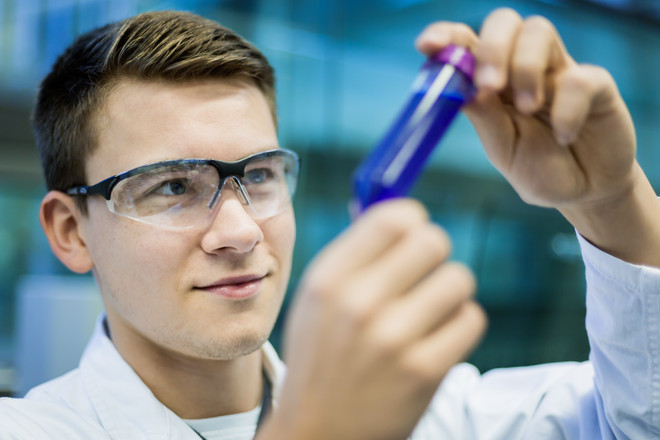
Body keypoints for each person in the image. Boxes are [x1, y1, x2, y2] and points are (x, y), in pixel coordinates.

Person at [1, 7, 659, 439]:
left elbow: (638, 417)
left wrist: (611, 199)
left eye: (257, 175)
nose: (239, 232)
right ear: (71, 231)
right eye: (173, 186)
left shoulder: (436, 415)